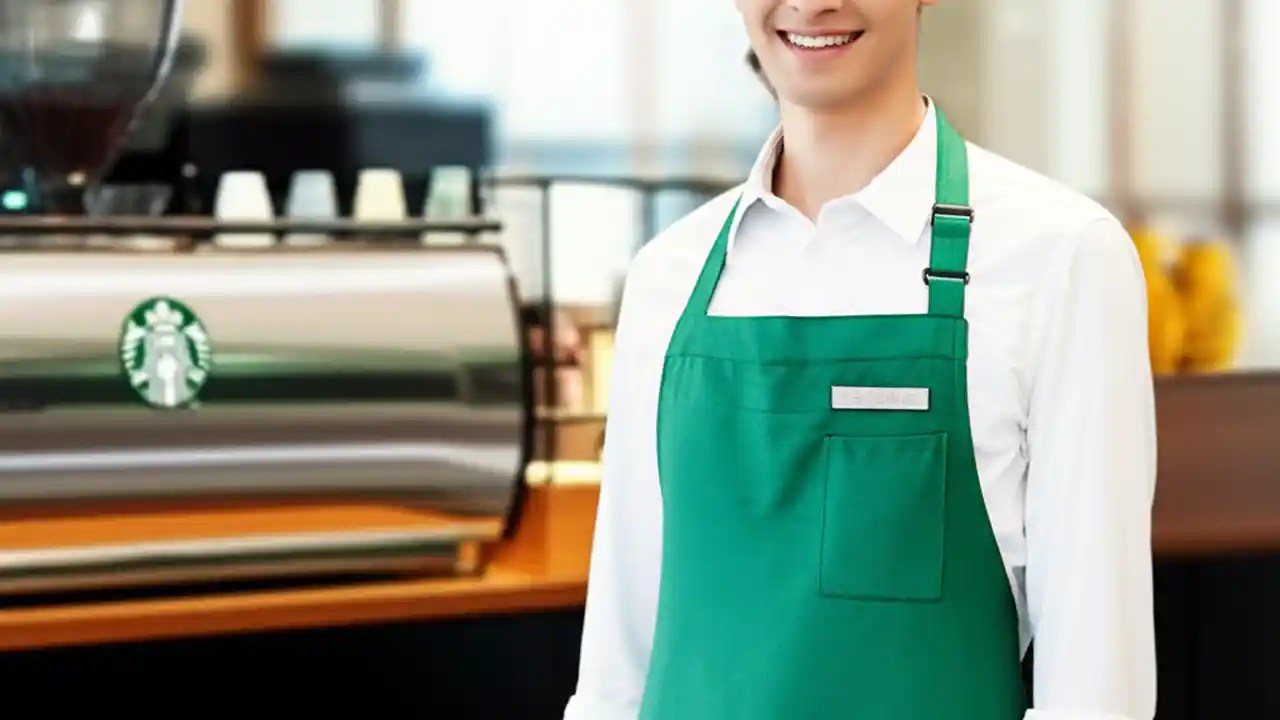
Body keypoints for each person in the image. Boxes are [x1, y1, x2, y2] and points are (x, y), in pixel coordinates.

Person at [563, 1, 1157, 718]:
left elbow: (1097, 696)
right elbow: (615, 679)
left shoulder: (1063, 260)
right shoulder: (667, 277)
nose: (812, 3)